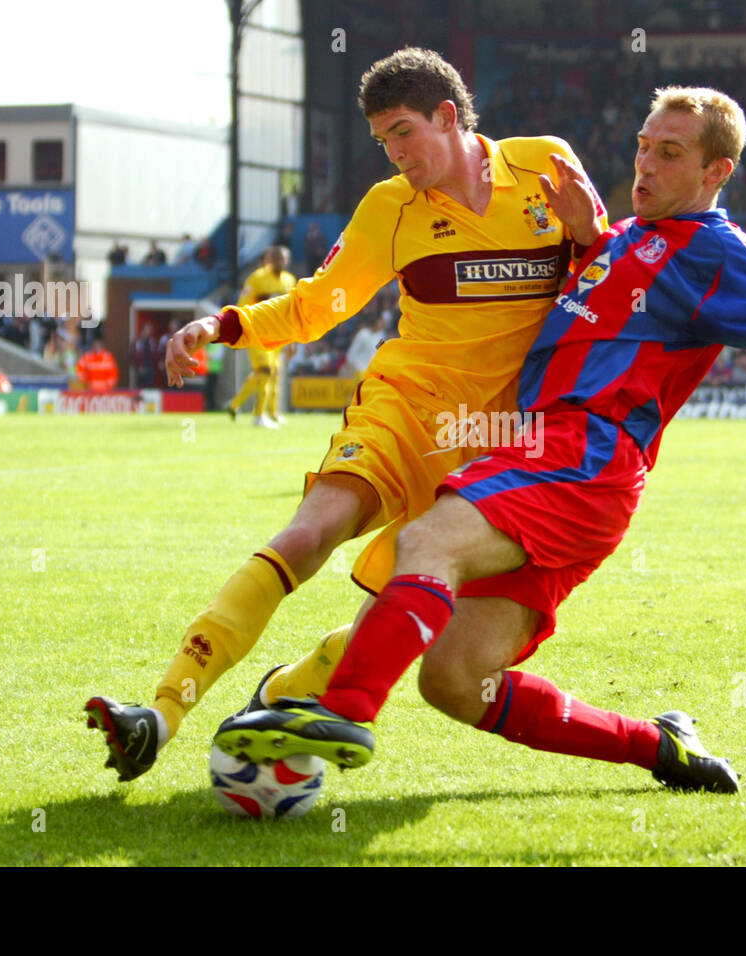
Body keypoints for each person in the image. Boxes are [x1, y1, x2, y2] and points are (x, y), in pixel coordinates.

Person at [216, 86, 746, 793]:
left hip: (583, 457)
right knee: (455, 682)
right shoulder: (624, 240)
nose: (644, 162)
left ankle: (341, 711)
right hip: (545, 462)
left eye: (670, 153)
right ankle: (661, 746)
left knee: (429, 540)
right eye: (642, 145)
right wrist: (585, 236)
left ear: (716, 171)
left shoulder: (716, 252)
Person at [85, 47, 604, 782]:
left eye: (402, 133)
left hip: (500, 440)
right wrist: (225, 326)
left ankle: (288, 691)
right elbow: (314, 304)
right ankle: (161, 713)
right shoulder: (389, 208)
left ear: (447, 116)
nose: (394, 155)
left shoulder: (545, 165)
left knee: (408, 604)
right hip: (406, 407)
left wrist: (586, 237)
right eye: (382, 141)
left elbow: (606, 286)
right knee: (310, 530)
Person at [225, 246, 297, 428]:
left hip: (279, 334)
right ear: (269, 259)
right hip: (257, 331)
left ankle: (244, 407)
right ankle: (259, 416)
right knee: (265, 371)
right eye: (276, 258)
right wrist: (240, 329)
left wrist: (293, 338)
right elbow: (242, 303)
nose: (280, 262)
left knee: (272, 373)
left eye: (283, 259)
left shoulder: (290, 281)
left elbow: (293, 310)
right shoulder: (256, 278)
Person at [342, 312, 388, 377]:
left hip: (373, 371)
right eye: (381, 322)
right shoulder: (363, 334)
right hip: (359, 369)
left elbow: (378, 349)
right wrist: (349, 363)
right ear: (375, 322)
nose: (383, 324)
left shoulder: (382, 336)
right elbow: (353, 349)